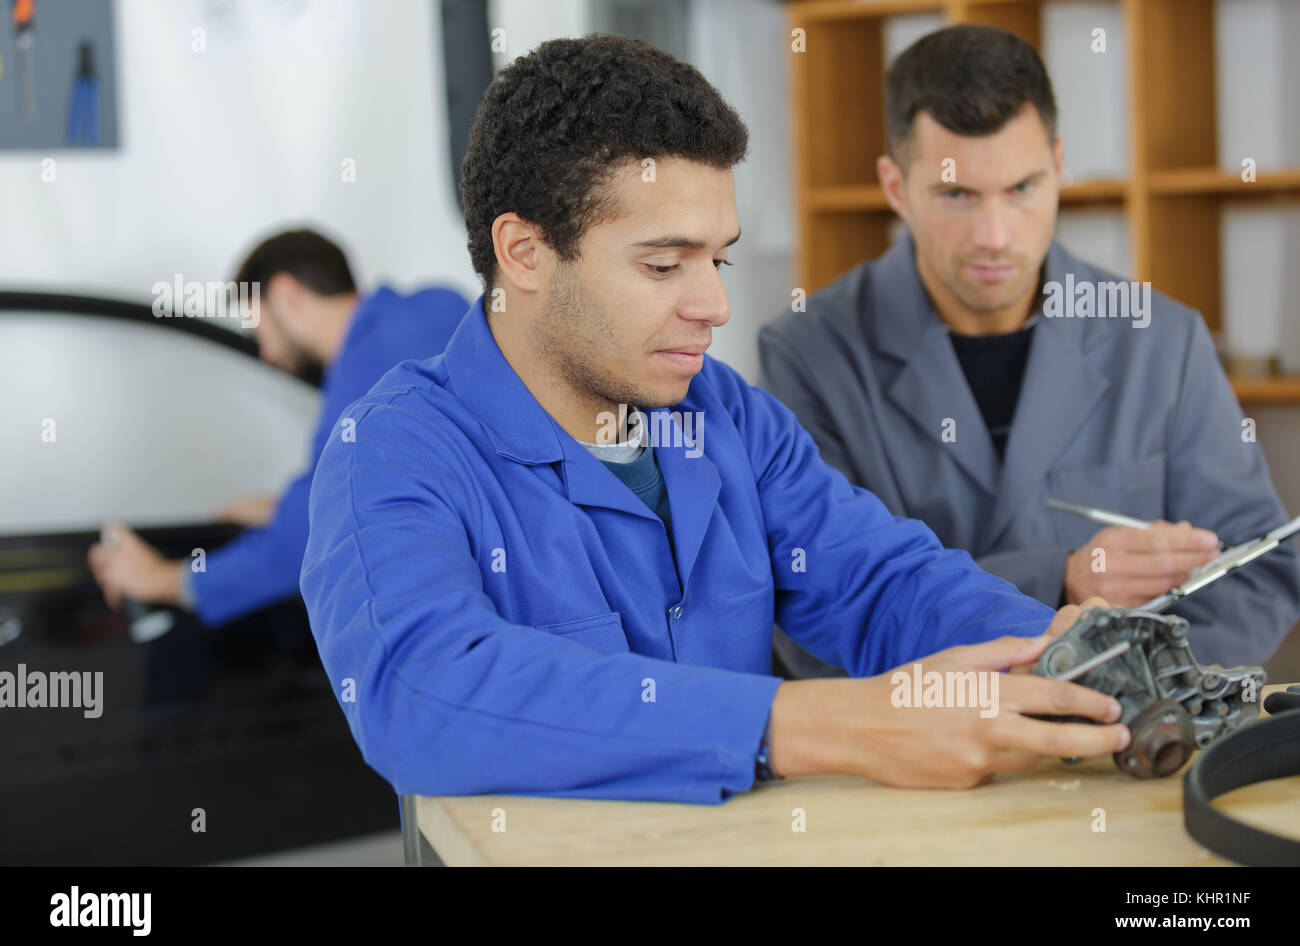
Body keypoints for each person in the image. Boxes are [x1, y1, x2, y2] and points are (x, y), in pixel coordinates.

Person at [299, 35, 1130, 806]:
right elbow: (425, 690)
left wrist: (1053, 648)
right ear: (524, 253)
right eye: (664, 264)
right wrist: (810, 724)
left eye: (718, 258)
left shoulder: (723, 416)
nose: (715, 306)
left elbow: (881, 582)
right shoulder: (395, 452)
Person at [759, 25, 1300, 678]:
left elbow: (1259, 572)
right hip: (921, 762)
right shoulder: (809, 352)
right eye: (957, 194)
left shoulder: (1163, 339)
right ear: (896, 187)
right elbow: (810, 605)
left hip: (1129, 750)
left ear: (1058, 165)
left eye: (1022, 189)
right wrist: (1059, 579)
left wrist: (1130, 694)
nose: (995, 236)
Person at [87, 229, 468, 628]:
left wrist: (160, 580)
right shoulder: (442, 303)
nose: (266, 355)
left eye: (258, 331)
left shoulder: (364, 377)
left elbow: (305, 541)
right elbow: (421, 471)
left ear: (287, 294)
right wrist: (286, 506)